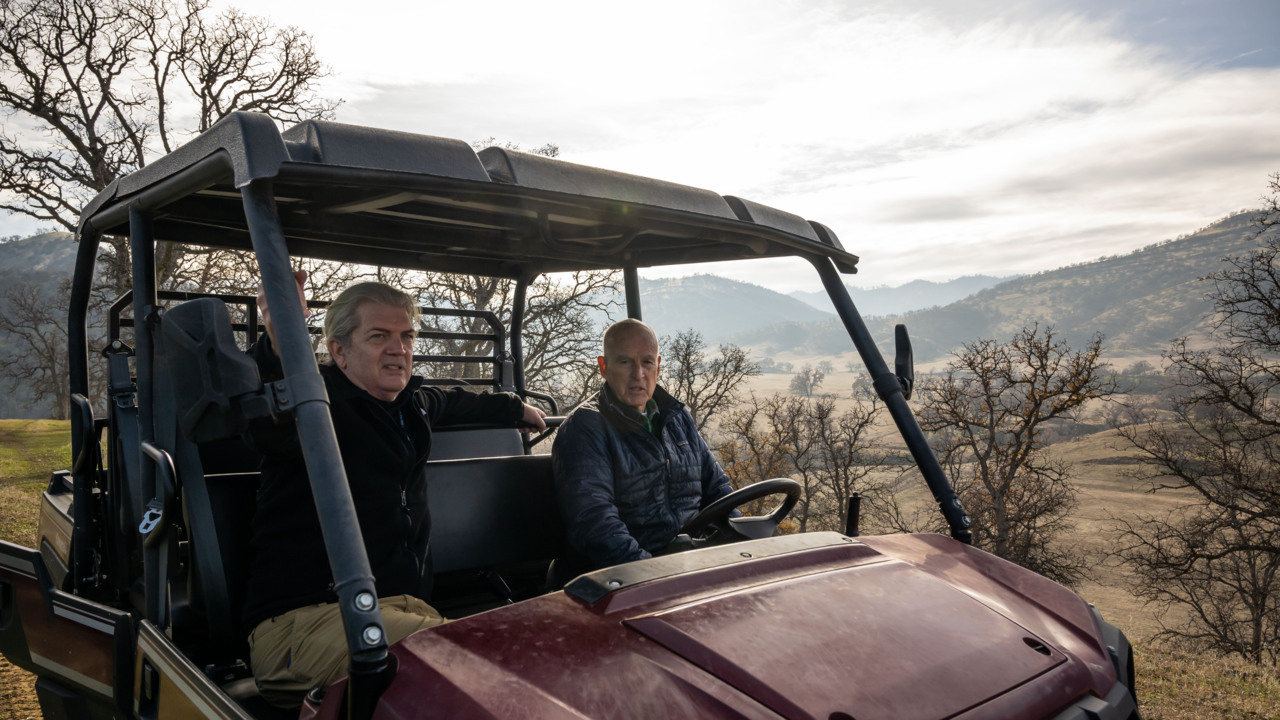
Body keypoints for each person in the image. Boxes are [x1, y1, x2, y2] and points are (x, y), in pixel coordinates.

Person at [241, 271, 546, 708]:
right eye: (378, 336)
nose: (397, 349)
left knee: (525, 650)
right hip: (306, 622)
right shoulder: (315, 406)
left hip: (401, 609)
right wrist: (280, 341)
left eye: (406, 336)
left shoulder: (409, 406)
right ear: (339, 351)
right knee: (471, 668)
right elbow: (268, 421)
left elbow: (456, 401)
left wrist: (514, 406)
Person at [551, 318, 733, 574]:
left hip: (692, 566)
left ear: (657, 367)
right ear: (603, 367)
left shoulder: (678, 419)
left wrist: (732, 544)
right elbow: (595, 524)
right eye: (625, 362)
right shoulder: (585, 428)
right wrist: (655, 574)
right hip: (624, 577)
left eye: (647, 362)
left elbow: (720, 492)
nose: (638, 374)